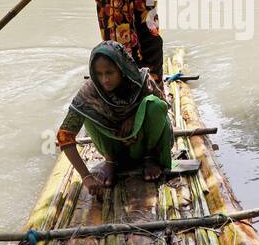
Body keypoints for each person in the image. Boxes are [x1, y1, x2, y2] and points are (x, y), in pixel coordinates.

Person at [56, 40, 174, 194]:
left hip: (142, 142)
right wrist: (86, 176)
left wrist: (135, 116)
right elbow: (64, 136)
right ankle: (110, 161)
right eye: (99, 74)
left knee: (156, 105)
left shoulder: (141, 80)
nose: (104, 80)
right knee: (87, 111)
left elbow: (164, 107)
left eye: (109, 73)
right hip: (113, 145)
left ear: (122, 69)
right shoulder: (89, 92)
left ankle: (149, 157)